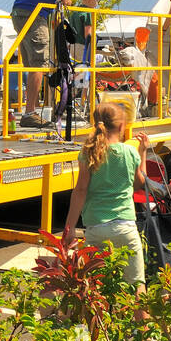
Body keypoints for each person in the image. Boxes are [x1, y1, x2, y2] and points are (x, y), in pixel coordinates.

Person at [63, 101, 149, 309]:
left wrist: (70, 228)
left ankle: (98, 334)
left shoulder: (88, 153)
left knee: (94, 287)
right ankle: (143, 334)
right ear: (121, 127)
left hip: (96, 228)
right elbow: (140, 183)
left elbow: (80, 191)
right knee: (137, 286)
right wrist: (143, 152)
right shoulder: (130, 153)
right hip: (125, 227)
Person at [10, 0, 87, 128]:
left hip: (19, 10)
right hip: (35, 14)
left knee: (30, 64)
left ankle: (33, 109)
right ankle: (30, 113)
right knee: (39, 63)